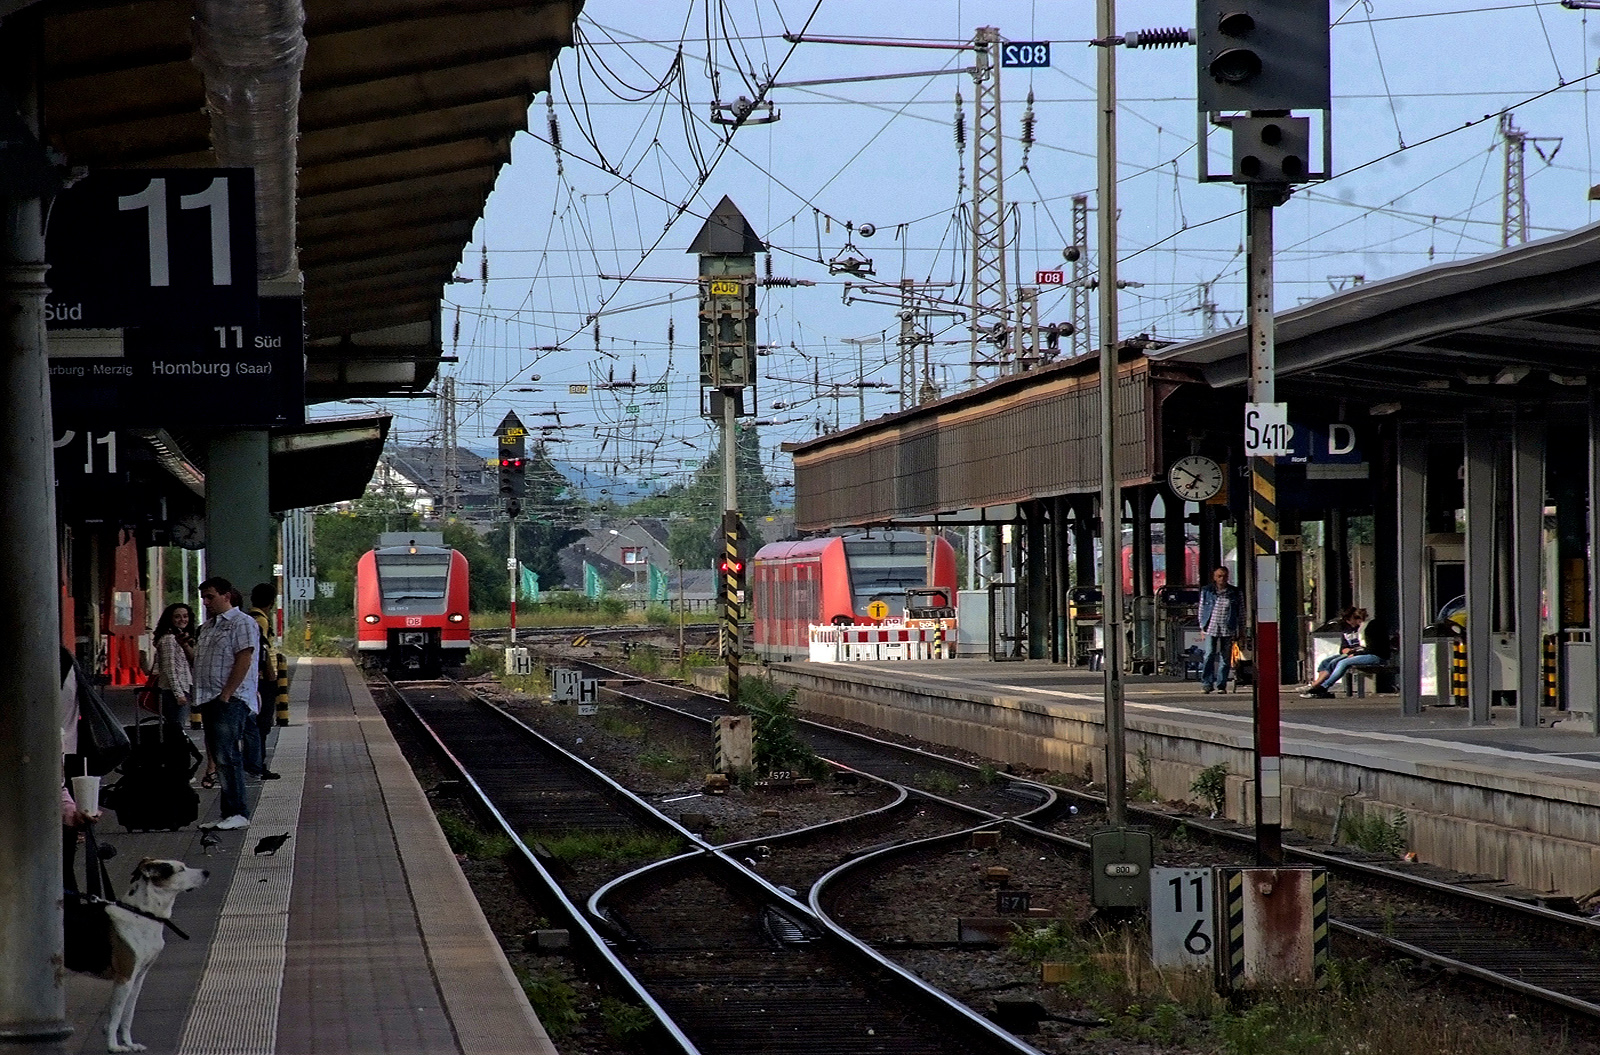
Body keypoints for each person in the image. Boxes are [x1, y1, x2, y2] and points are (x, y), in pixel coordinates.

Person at [194, 576, 261, 830]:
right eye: (204, 597)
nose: (206, 602)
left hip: (229, 699)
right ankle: (228, 812)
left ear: (226, 596)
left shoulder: (242, 623)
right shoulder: (208, 627)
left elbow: (244, 658)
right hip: (209, 697)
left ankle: (238, 811)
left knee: (228, 755)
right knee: (221, 756)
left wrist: (227, 693)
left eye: (210, 596)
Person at [1300, 607, 1388, 698]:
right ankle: (1319, 686)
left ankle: (1323, 686)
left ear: (1357, 618)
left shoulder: (1372, 626)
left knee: (1343, 662)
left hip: (1376, 656)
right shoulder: (1363, 627)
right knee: (1335, 661)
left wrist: (1355, 654)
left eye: (1351, 620)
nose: (1351, 623)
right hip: (1367, 653)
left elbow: (1372, 648)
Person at [1197, 566, 1243, 694]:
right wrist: (1202, 626)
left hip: (1227, 627)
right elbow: (1201, 609)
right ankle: (1207, 683)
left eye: (1224, 576)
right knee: (1209, 654)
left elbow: (1241, 612)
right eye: (1219, 576)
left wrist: (1241, 630)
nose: (1222, 579)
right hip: (1211, 627)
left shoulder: (1234, 592)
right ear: (1214, 577)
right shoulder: (1207, 591)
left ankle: (1221, 685)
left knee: (1225, 657)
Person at [247, 583, 280, 743]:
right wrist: (270, 674)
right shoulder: (260, 620)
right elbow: (262, 649)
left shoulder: (251, 617)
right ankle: (258, 763)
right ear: (271, 602)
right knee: (263, 721)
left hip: (259, 677)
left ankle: (258, 763)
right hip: (263, 678)